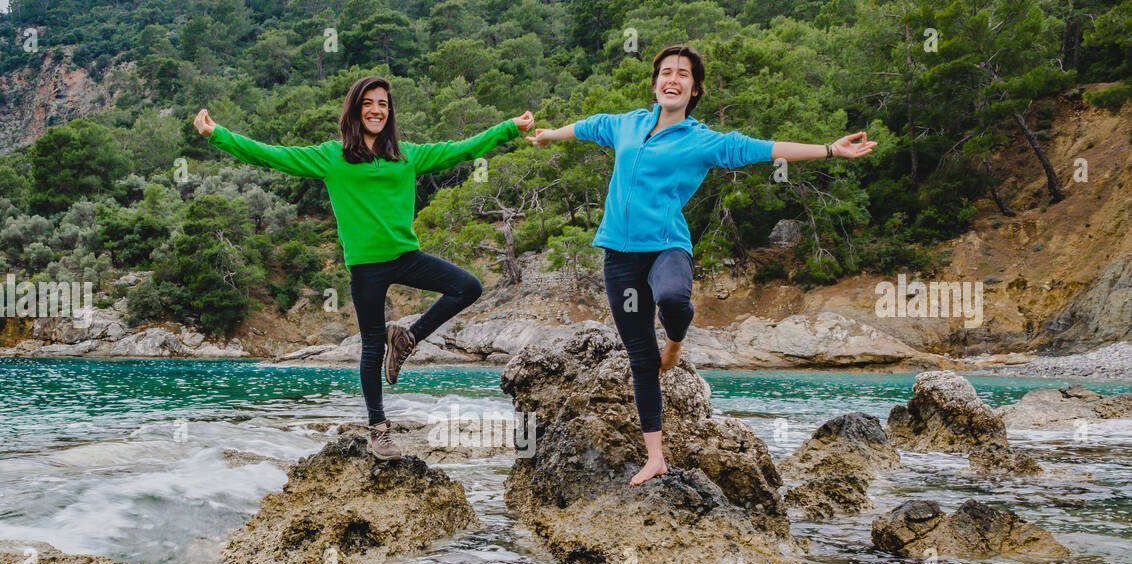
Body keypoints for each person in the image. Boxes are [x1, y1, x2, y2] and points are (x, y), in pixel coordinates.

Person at [527, 44, 875, 484]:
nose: (673, 79)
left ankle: (676, 339)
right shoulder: (627, 124)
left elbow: (764, 148)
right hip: (618, 252)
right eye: (666, 72)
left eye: (683, 74)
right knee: (639, 356)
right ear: (655, 83)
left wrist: (829, 149)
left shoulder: (703, 140)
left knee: (673, 297)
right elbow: (587, 126)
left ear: (694, 89)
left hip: (668, 245)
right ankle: (655, 456)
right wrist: (548, 135)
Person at [195, 77, 533, 459]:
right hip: (365, 268)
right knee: (371, 347)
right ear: (356, 110)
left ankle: (407, 337)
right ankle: (379, 429)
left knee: (467, 286)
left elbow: (461, 149)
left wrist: (508, 128)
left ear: (389, 113)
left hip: (406, 257)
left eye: (383, 104)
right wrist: (217, 134)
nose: (376, 110)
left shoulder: (408, 155)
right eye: (369, 103)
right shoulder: (331, 157)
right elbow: (270, 155)